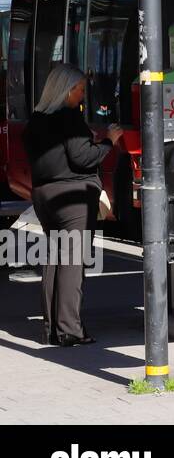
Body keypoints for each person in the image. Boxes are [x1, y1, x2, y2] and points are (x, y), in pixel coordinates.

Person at [23, 63, 123, 347]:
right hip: (72, 198)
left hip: (44, 195)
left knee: (54, 260)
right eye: (79, 89)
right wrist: (108, 142)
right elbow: (82, 158)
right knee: (72, 264)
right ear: (67, 90)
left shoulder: (36, 120)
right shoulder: (68, 118)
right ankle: (70, 330)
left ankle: (51, 329)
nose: (82, 94)